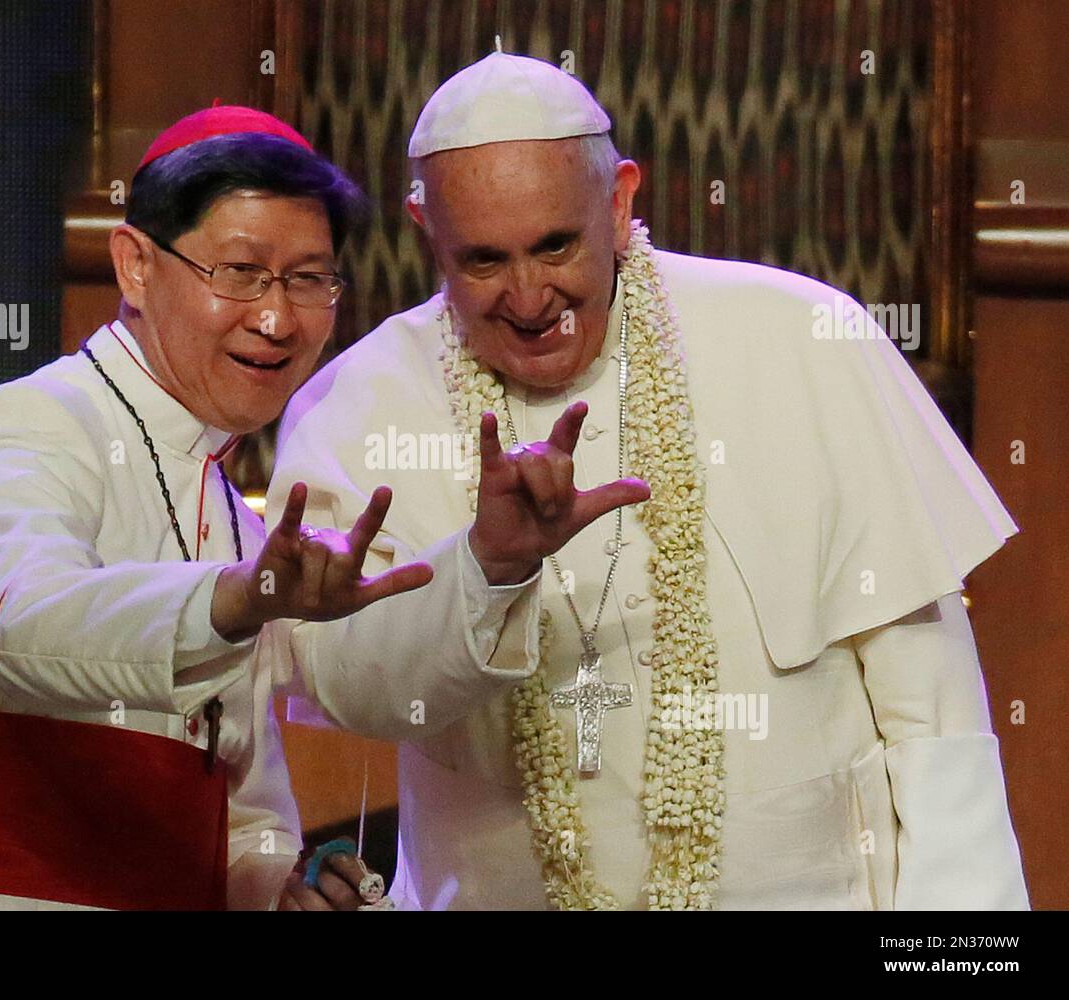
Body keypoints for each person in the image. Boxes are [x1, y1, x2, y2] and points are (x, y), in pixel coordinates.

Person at [266, 52, 1030, 910]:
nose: (528, 297)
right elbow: (358, 691)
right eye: (482, 260)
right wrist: (483, 571)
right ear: (423, 229)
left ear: (621, 200)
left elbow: (932, 710)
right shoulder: (360, 402)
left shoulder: (801, 338)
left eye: (556, 245)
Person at [0, 106, 431, 911]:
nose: (276, 317)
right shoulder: (32, 422)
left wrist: (278, 892)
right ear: (135, 266)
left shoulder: (235, 516)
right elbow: (17, 620)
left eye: (308, 279)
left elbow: (245, 814)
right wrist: (233, 600)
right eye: (240, 272)